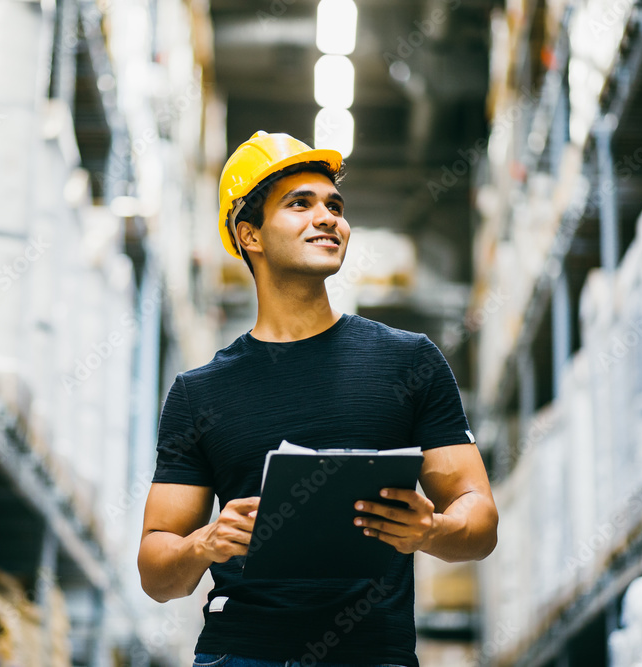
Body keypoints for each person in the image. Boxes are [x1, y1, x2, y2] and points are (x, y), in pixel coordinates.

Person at [137, 131, 498, 667]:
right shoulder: (200, 393)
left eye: (334, 205)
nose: (327, 217)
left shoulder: (409, 362)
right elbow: (156, 569)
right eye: (299, 204)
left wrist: (433, 529)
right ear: (250, 234)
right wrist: (204, 543)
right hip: (240, 655)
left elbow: (481, 517)